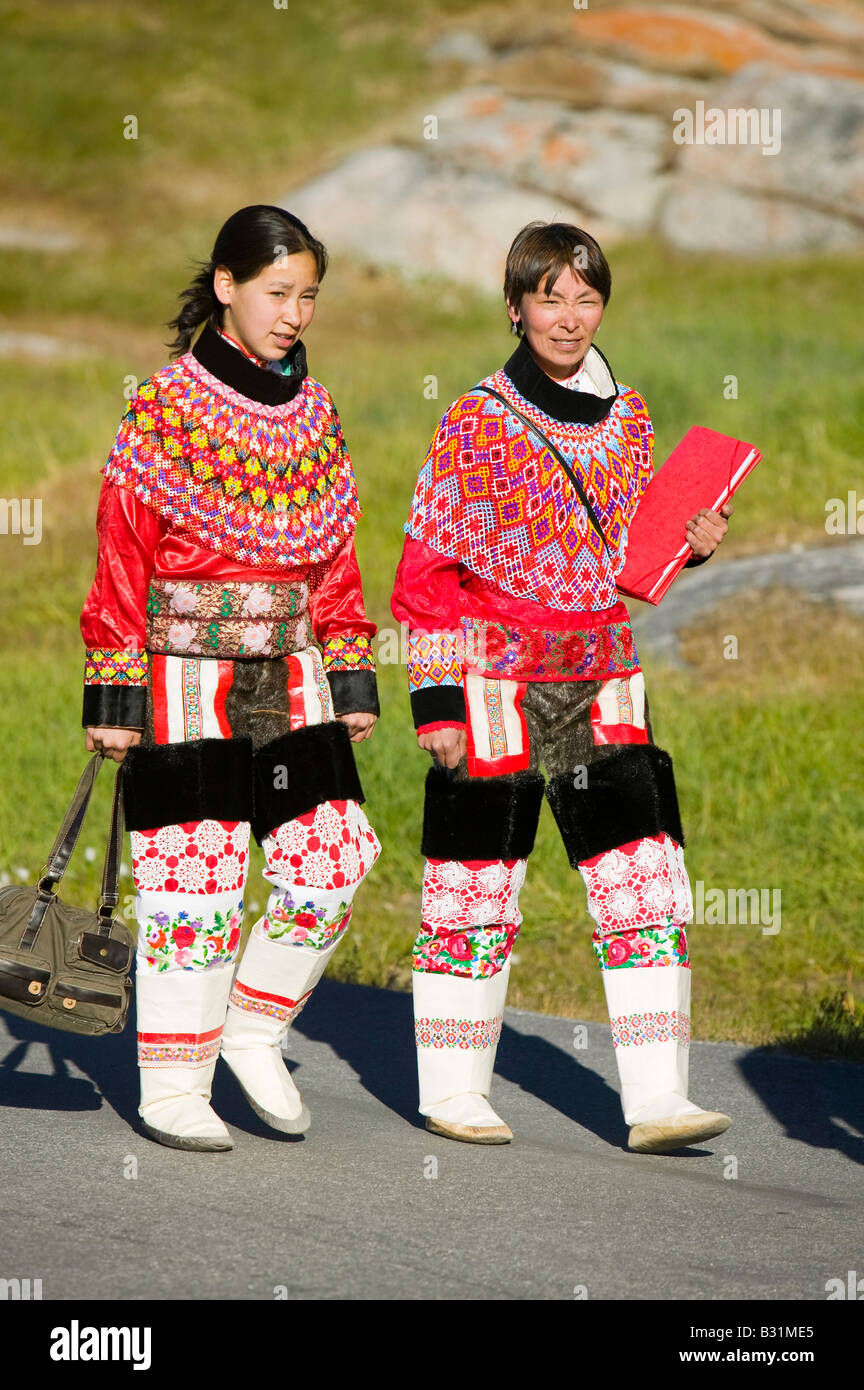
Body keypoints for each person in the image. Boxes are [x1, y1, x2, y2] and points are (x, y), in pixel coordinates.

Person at [391, 220, 733, 1154]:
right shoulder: (476, 418)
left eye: (586, 297)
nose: (570, 317)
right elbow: (423, 576)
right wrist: (435, 704)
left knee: (647, 879)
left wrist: (692, 551)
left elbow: (628, 558)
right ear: (516, 307)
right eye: (551, 297)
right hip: (494, 675)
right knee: (474, 884)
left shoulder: (633, 417)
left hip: (605, 672)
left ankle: (659, 1100)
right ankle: (453, 1090)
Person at [80, 205, 381, 1151]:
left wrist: (352, 670)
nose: (294, 313)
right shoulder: (165, 403)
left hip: (292, 675)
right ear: (226, 286)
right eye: (277, 292)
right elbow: (122, 554)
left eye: (309, 297)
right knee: (195, 882)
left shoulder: (316, 410)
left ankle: (253, 1031)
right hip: (182, 673)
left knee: (336, 857)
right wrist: (115, 695)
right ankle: (174, 1082)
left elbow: (336, 556)